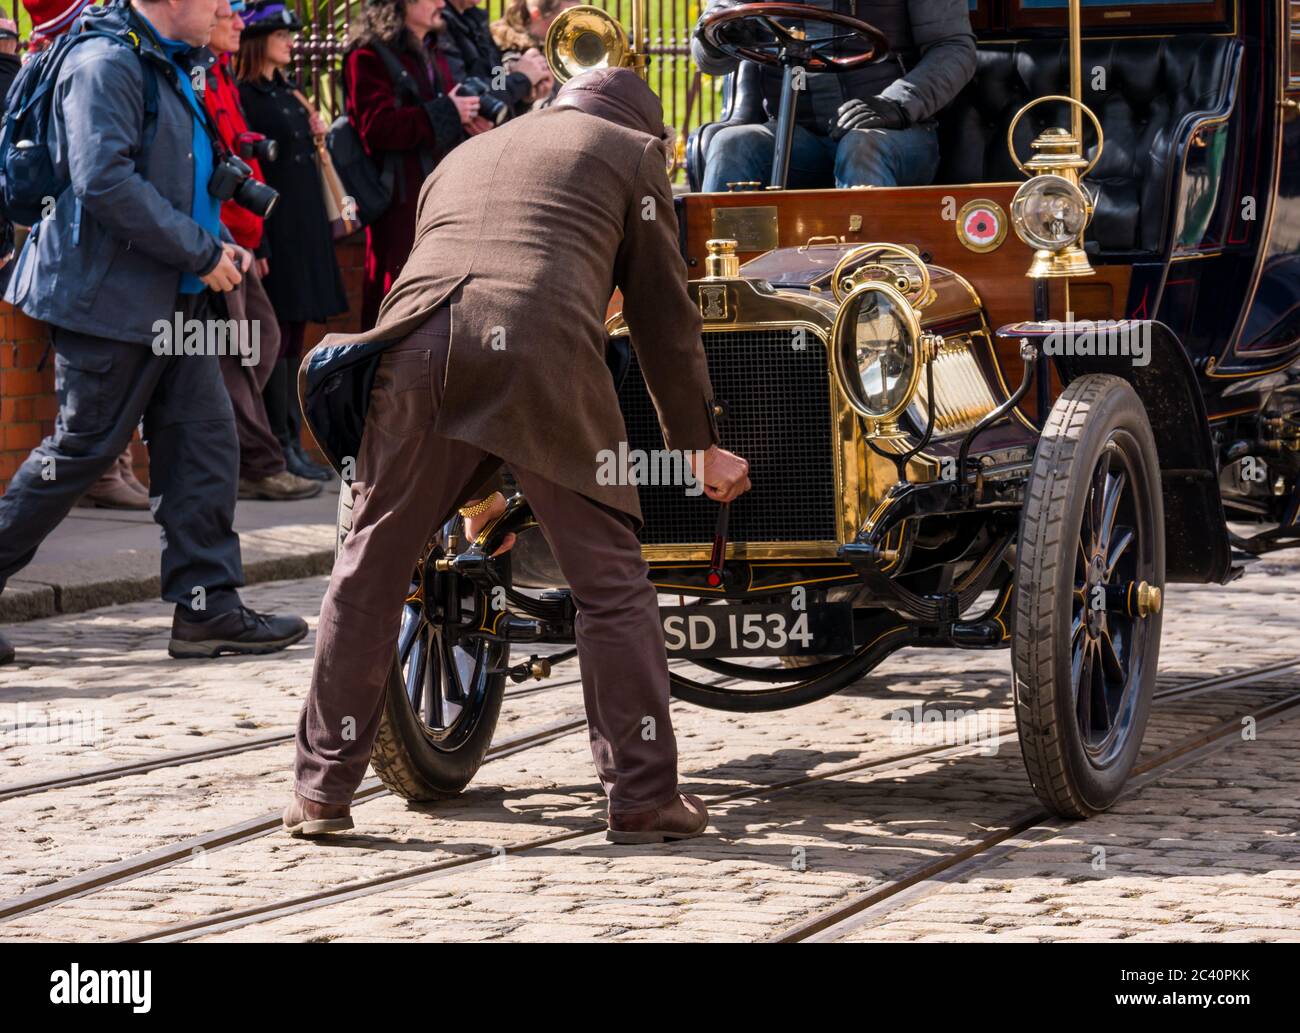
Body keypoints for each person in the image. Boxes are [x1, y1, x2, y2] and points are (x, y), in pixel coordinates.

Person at [287, 68, 752, 843]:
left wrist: (479, 497)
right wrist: (697, 446)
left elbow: (461, 295)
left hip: (411, 350)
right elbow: (663, 314)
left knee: (369, 566)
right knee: (609, 583)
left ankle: (319, 790)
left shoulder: (464, 155)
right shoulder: (631, 152)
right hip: (539, 356)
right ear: (648, 129)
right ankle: (641, 795)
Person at [0, 0, 309, 667]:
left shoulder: (172, 66)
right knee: (80, 450)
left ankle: (208, 610)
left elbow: (177, 181)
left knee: (205, 445)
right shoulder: (104, 61)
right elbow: (102, 179)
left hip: (177, 299)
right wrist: (201, 251)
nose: (227, 8)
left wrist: (217, 245)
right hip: (110, 302)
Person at [204, 0, 319, 501]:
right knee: (231, 351)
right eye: (225, 14)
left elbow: (243, 159)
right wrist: (237, 237)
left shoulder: (222, 74)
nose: (235, 23)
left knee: (264, 339)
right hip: (220, 238)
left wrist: (253, 234)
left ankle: (274, 451)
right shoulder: (207, 76)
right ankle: (262, 459)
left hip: (246, 232)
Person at [692, 0, 976, 190]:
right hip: (796, 139)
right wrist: (720, 36)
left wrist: (896, 103)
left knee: (861, 146)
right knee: (732, 144)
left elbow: (953, 48)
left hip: (896, 134)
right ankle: (720, 274)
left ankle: (871, 275)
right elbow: (710, 46)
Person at [236, 1, 345, 483]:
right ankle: (277, 444)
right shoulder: (246, 93)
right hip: (275, 228)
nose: (290, 42)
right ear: (260, 40)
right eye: (281, 35)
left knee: (295, 332)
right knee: (273, 336)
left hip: (303, 226)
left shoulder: (286, 90)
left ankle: (291, 442)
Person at [344, 0, 483, 330]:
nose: (441, 3)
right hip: (399, 202)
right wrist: (449, 112)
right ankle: (380, 378)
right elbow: (376, 129)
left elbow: (445, 108)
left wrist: (472, 119)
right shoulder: (366, 55)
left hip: (443, 193)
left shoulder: (433, 47)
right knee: (394, 295)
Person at [439, 0, 550, 119]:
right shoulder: (439, 26)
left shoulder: (475, 19)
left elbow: (498, 84)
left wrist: (524, 97)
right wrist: (522, 78)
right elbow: (466, 97)